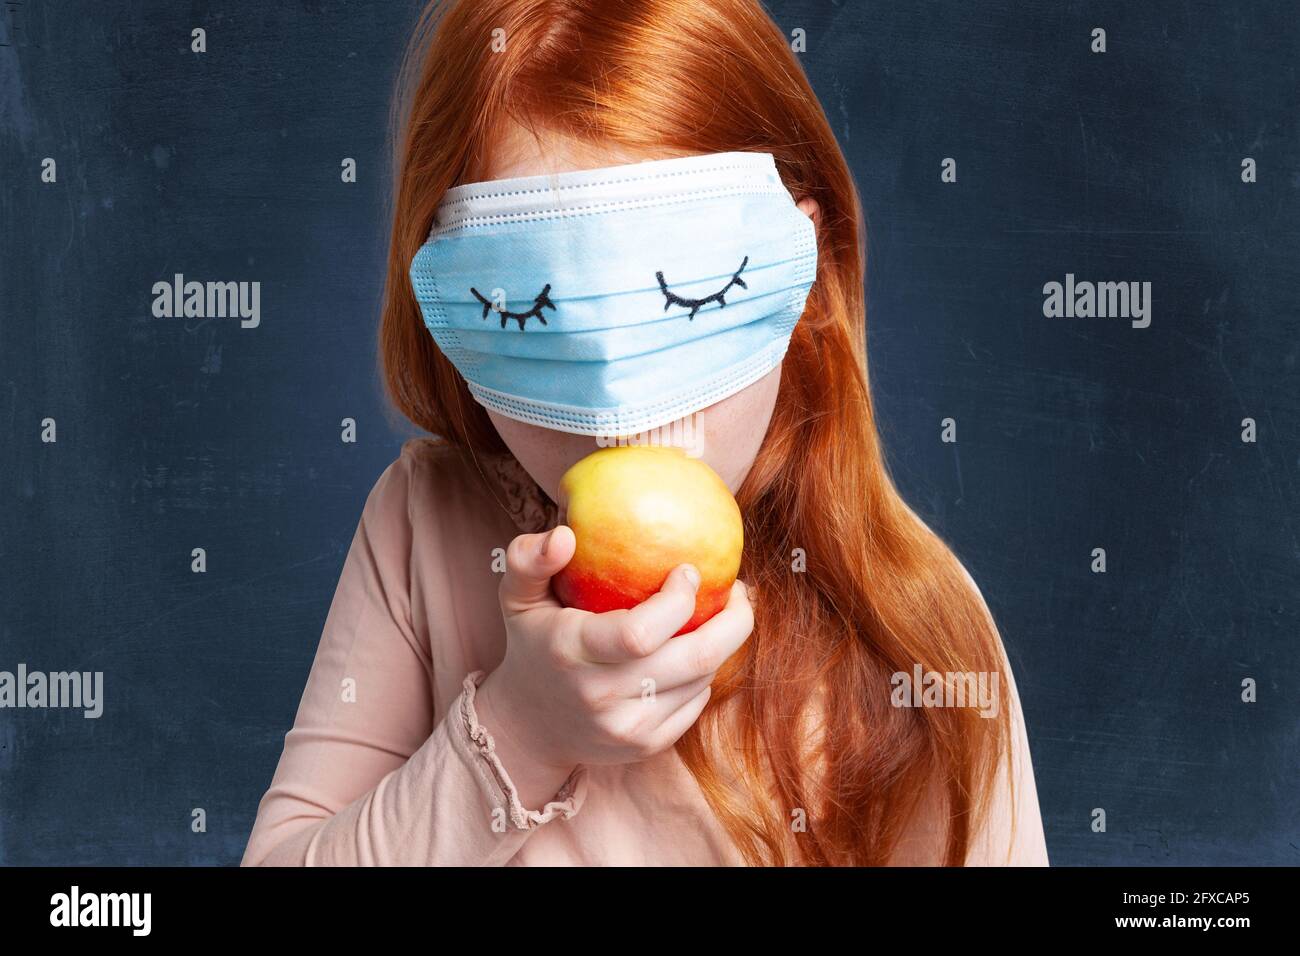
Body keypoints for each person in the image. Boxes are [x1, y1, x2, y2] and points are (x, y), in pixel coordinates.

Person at [242, 0, 1048, 866]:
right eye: (526, 314)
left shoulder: (913, 634)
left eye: (696, 298)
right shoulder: (421, 526)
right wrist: (517, 732)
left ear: (804, 269)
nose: (622, 416)